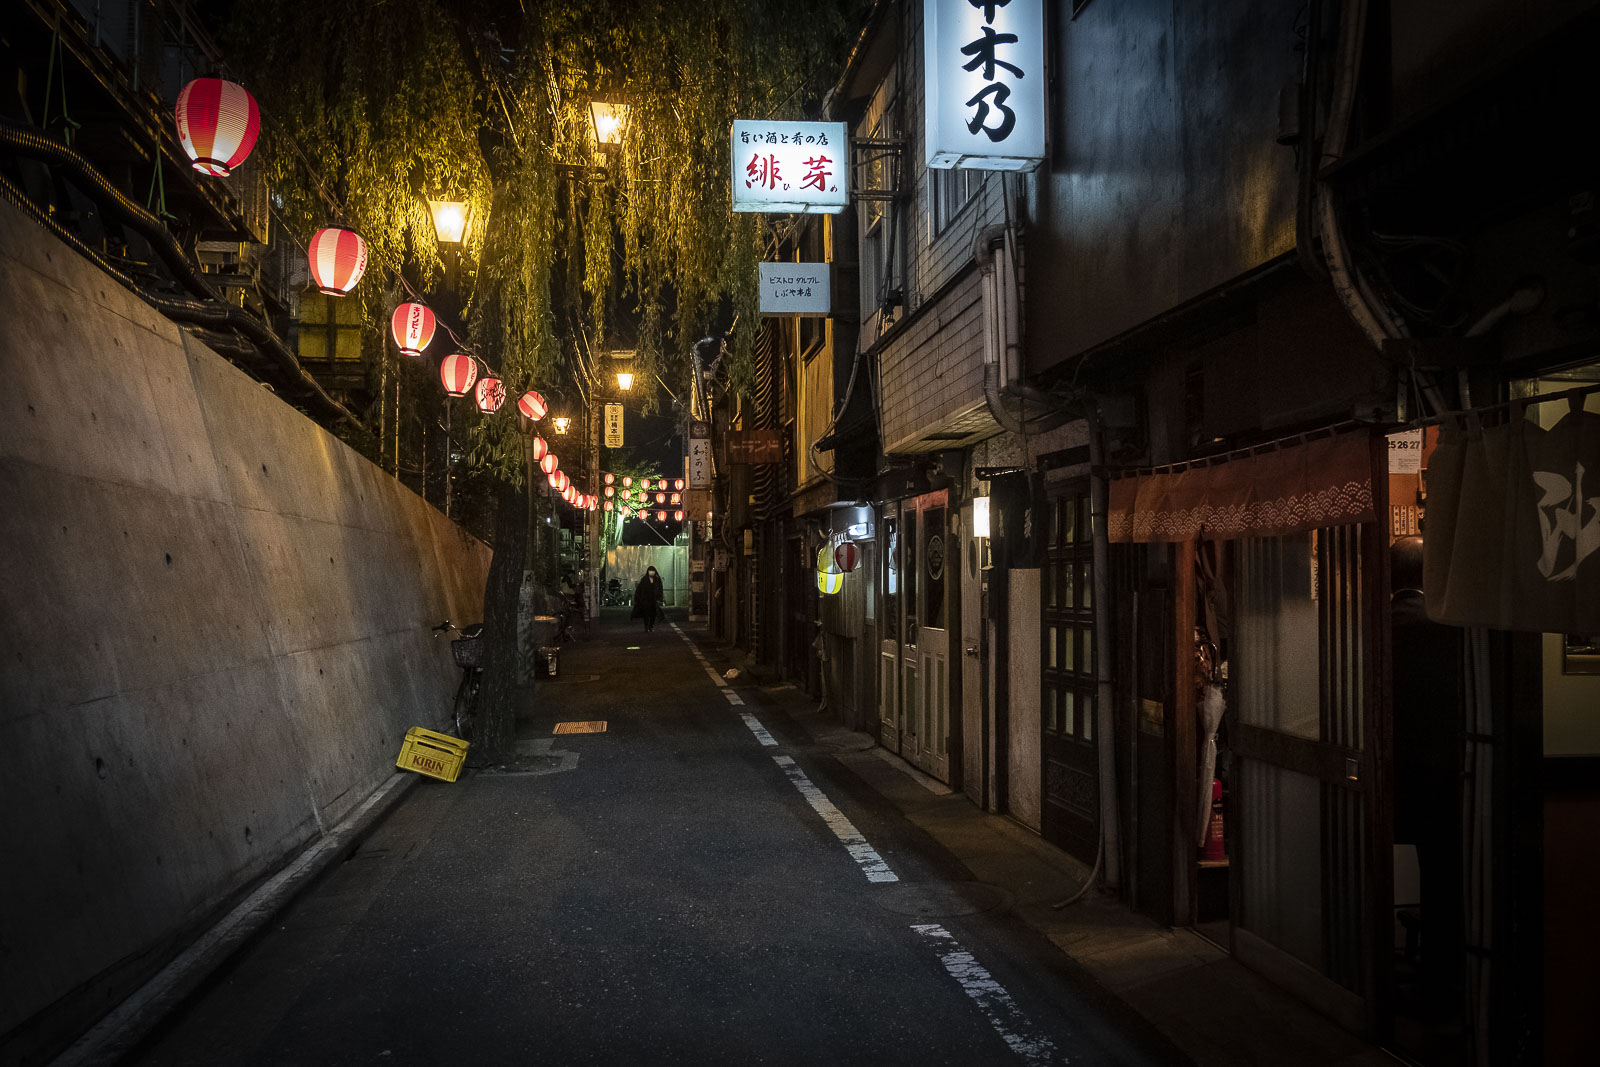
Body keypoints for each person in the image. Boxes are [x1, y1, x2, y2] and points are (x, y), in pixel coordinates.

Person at [631, 566, 664, 632]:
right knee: (646, 614)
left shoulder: (657, 580)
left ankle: (651, 626)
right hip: (646, 600)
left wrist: (660, 598)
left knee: (653, 614)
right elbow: (639, 589)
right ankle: (646, 627)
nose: (651, 572)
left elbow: (660, 589)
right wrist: (637, 598)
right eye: (650, 570)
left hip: (654, 600)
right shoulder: (644, 579)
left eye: (653, 571)